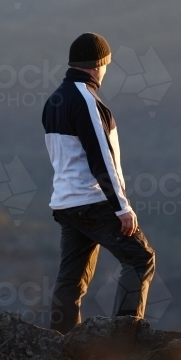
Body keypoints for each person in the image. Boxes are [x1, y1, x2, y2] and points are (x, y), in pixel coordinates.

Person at [41, 32, 156, 334]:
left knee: (71, 281)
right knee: (140, 259)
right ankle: (125, 337)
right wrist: (121, 207)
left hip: (67, 204)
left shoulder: (55, 100)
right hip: (94, 201)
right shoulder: (85, 99)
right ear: (98, 65)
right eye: (106, 65)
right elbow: (100, 156)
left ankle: (59, 345)